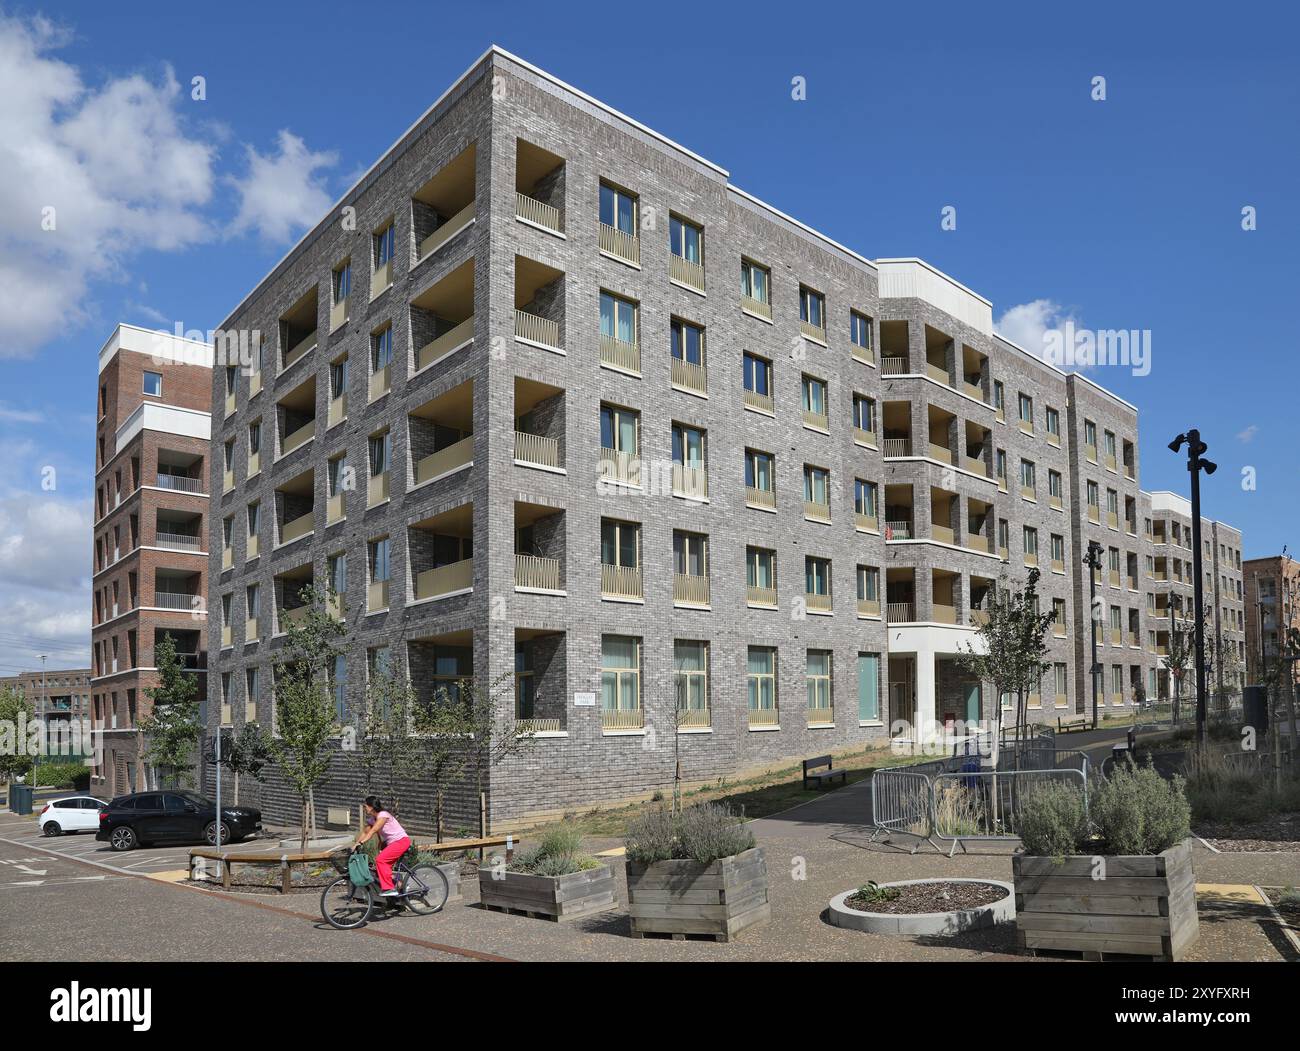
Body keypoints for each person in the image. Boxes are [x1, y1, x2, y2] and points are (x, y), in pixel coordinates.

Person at [354, 796, 411, 897]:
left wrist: (362, 843)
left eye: (365, 806)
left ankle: (389, 888)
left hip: (401, 841)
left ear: (371, 807)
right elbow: (365, 832)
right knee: (381, 865)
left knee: (381, 860)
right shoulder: (373, 819)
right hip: (392, 843)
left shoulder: (383, 815)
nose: (364, 808)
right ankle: (400, 884)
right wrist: (355, 844)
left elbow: (374, 830)